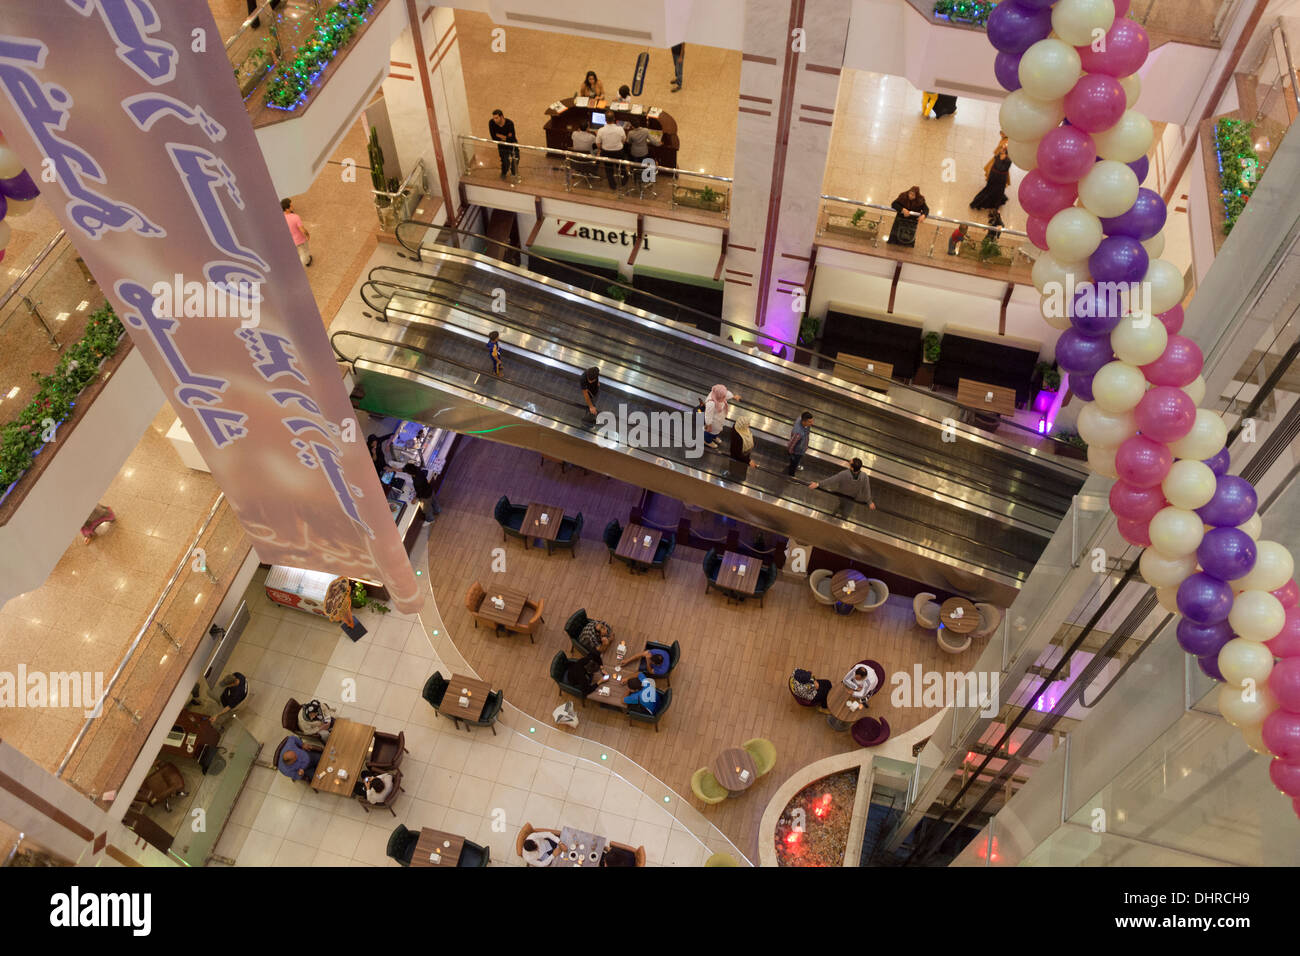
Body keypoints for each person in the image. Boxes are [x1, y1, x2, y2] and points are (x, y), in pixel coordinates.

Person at [809, 457, 876, 509]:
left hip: (841, 494)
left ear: (852, 468)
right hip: (853, 497)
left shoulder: (844, 474)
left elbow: (831, 480)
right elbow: (867, 490)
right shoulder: (865, 477)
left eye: (850, 463)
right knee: (848, 507)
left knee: (841, 503)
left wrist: (818, 484)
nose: (849, 462)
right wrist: (869, 502)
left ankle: (837, 511)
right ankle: (843, 516)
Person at [971, 145, 1012, 211]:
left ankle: (995, 204)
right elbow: (997, 164)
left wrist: (1002, 157)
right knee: (990, 189)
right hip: (994, 175)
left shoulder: (1008, 160)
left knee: (998, 191)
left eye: (1003, 149)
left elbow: (1002, 168)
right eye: (1002, 149)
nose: (1001, 149)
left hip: (1000, 177)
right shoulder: (1000, 155)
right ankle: (979, 203)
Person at [595, 111, 627, 188]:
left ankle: (612, 185)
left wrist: (603, 148)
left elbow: (598, 144)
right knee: (622, 167)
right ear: (614, 119)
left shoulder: (601, 130)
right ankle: (624, 180)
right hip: (619, 152)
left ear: (605, 120)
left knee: (608, 169)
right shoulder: (620, 129)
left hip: (606, 153)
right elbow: (624, 140)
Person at [702, 384, 738, 450]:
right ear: (719, 396)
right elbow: (708, 415)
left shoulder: (717, 393)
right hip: (714, 421)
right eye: (723, 396)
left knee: (717, 430)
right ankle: (707, 441)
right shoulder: (711, 403)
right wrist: (709, 425)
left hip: (719, 418)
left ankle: (714, 437)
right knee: (710, 431)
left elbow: (726, 393)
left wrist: (733, 396)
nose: (725, 397)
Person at [489, 109, 518, 179]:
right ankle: (504, 172)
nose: (494, 120)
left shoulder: (510, 123)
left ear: (501, 117)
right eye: (494, 118)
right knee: (504, 161)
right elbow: (494, 137)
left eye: (496, 118)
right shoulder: (491, 123)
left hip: (512, 144)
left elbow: (511, 138)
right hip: (501, 145)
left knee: (516, 159)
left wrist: (500, 136)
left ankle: (514, 173)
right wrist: (505, 137)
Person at [281, 198, 311, 266]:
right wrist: (307, 234)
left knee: (298, 252)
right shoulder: (295, 217)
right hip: (299, 240)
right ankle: (306, 262)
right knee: (304, 252)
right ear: (287, 209)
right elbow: (302, 230)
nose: (293, 207)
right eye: (291, 206)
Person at [787, 411, 813, 476]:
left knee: (795, 462)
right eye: (809, 422)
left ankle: (794, 464)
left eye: (812, 421)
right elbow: (791, 444)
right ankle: (791, 475)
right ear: (804, 421)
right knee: (794, 463)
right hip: (797, 452)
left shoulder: (800, 419)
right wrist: (791, 453)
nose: (812, 423)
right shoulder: (798, 433)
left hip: (802, 447)